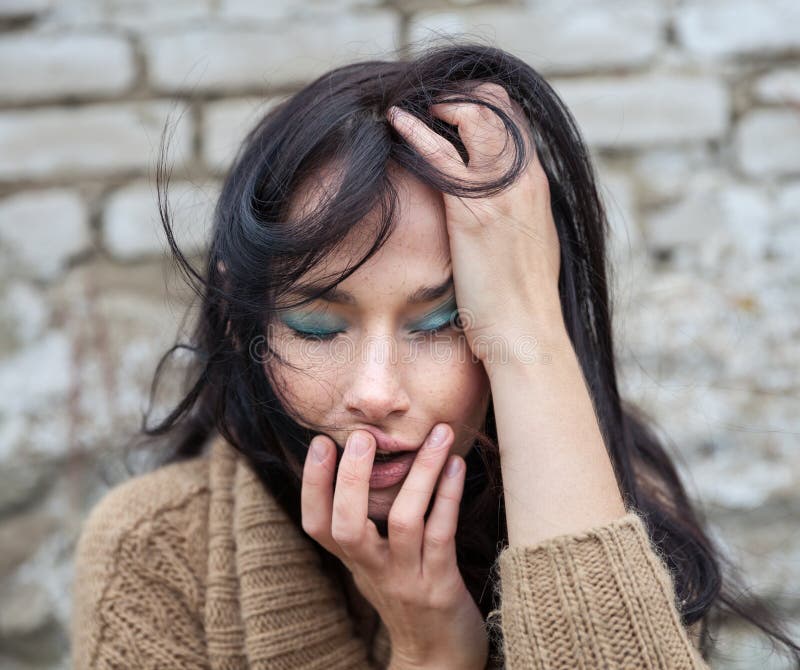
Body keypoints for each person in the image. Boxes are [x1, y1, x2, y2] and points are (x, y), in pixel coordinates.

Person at [70, 42, 800, 669]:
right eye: (318, 327)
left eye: (443, 323)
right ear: (243, 321)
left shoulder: (622, 504)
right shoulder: (156, 549)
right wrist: (431, 652)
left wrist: (528, 332)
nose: (375, 391)